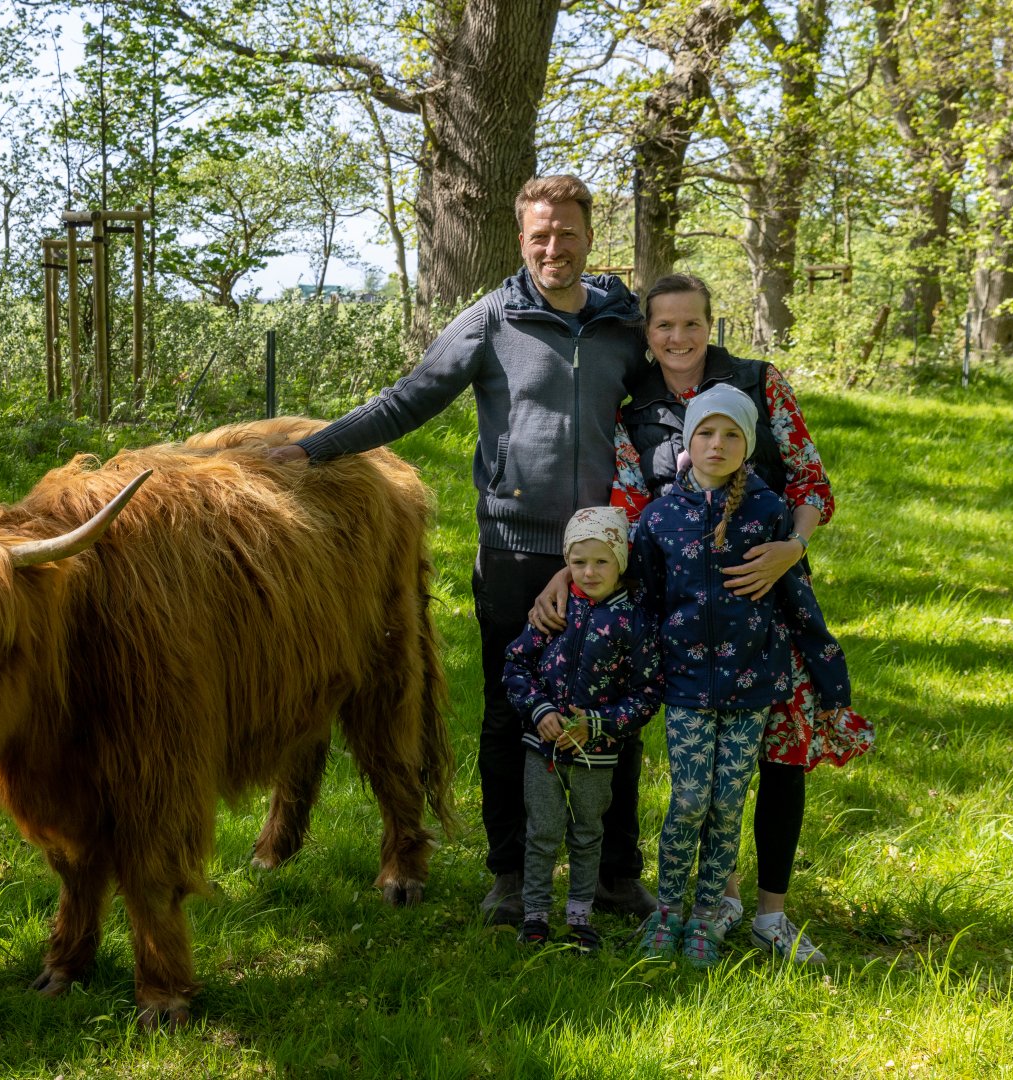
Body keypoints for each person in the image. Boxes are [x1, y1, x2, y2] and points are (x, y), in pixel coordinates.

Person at [266, 174, 656, 925]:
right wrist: (315, 451)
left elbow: (674, 399)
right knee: (513, 710)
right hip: (514, 546)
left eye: (567, 233)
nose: (554, 247)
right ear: (521, 238)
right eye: (540, 234)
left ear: (588, 236)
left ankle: (614, 872)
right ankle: (511, 874)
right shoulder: (491, 320)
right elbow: (409, 397)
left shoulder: (622, 327)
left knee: (617, 707)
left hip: (608, 552)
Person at [620, 272, 872, 962]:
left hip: (770, 599)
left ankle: (771, 913)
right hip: (688, 621)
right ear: (648, 332)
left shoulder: (760, 382)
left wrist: (790, 548)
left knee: (779, 757)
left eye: (692, 323)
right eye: (664, 326)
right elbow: (629, 505)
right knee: (702, 784)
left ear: (712, 324)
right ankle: (713, 903)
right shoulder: (635, 402)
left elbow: (811, 479)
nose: (678, 337)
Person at [500, 507, 659, 952]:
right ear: (566, 563)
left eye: (601, 561)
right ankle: (534, 915)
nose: (589, 573)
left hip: (596, 755)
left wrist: (600, 724)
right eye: (578, 562)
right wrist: (539, 710)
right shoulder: (555, 612)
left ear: (621, 562)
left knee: (588, 832)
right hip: (543, 749)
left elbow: (647, 693)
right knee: (543, 831)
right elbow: (516, 665)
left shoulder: (632, 623)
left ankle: (579, 916)